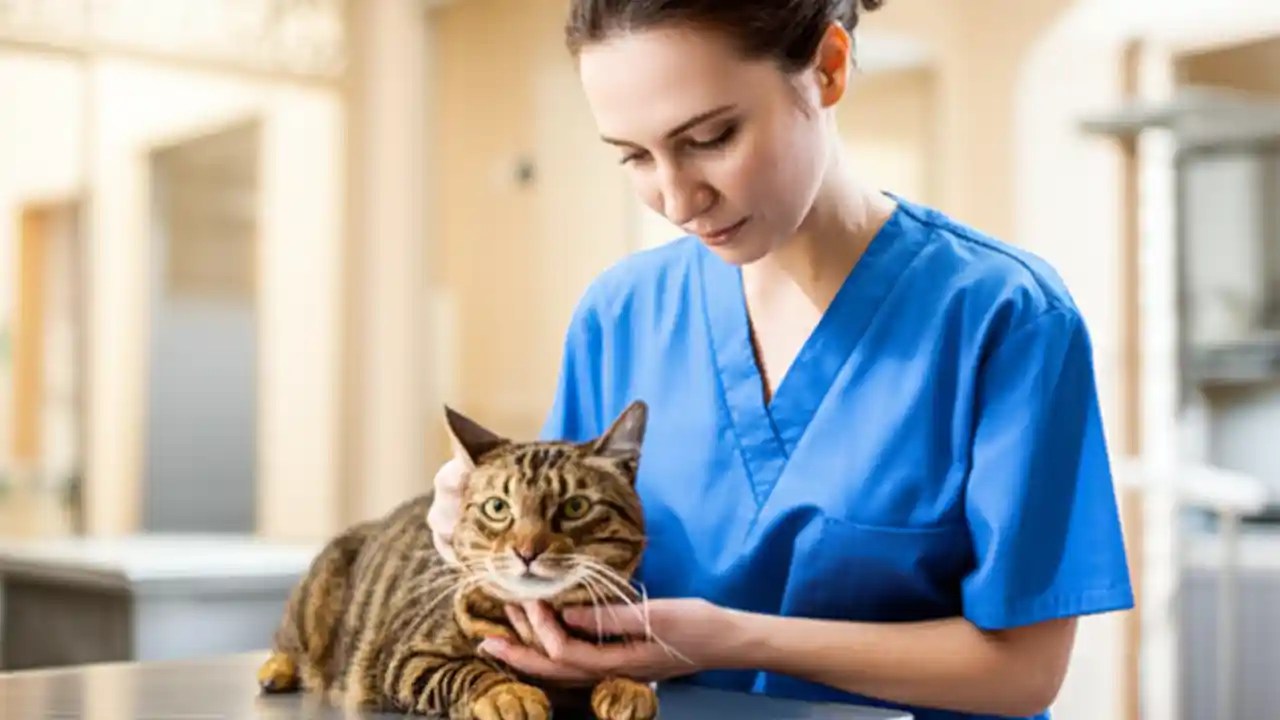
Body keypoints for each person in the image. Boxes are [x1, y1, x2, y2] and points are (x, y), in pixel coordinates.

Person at [427, 1, 1134, 718]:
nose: (677, 199)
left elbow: (1023, 673)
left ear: (827, 68)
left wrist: (734, 641)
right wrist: (471, 537)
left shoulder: (1002, 317)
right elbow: (560, 583)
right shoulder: (620, 315)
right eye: (634, 156)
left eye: (711, 137)